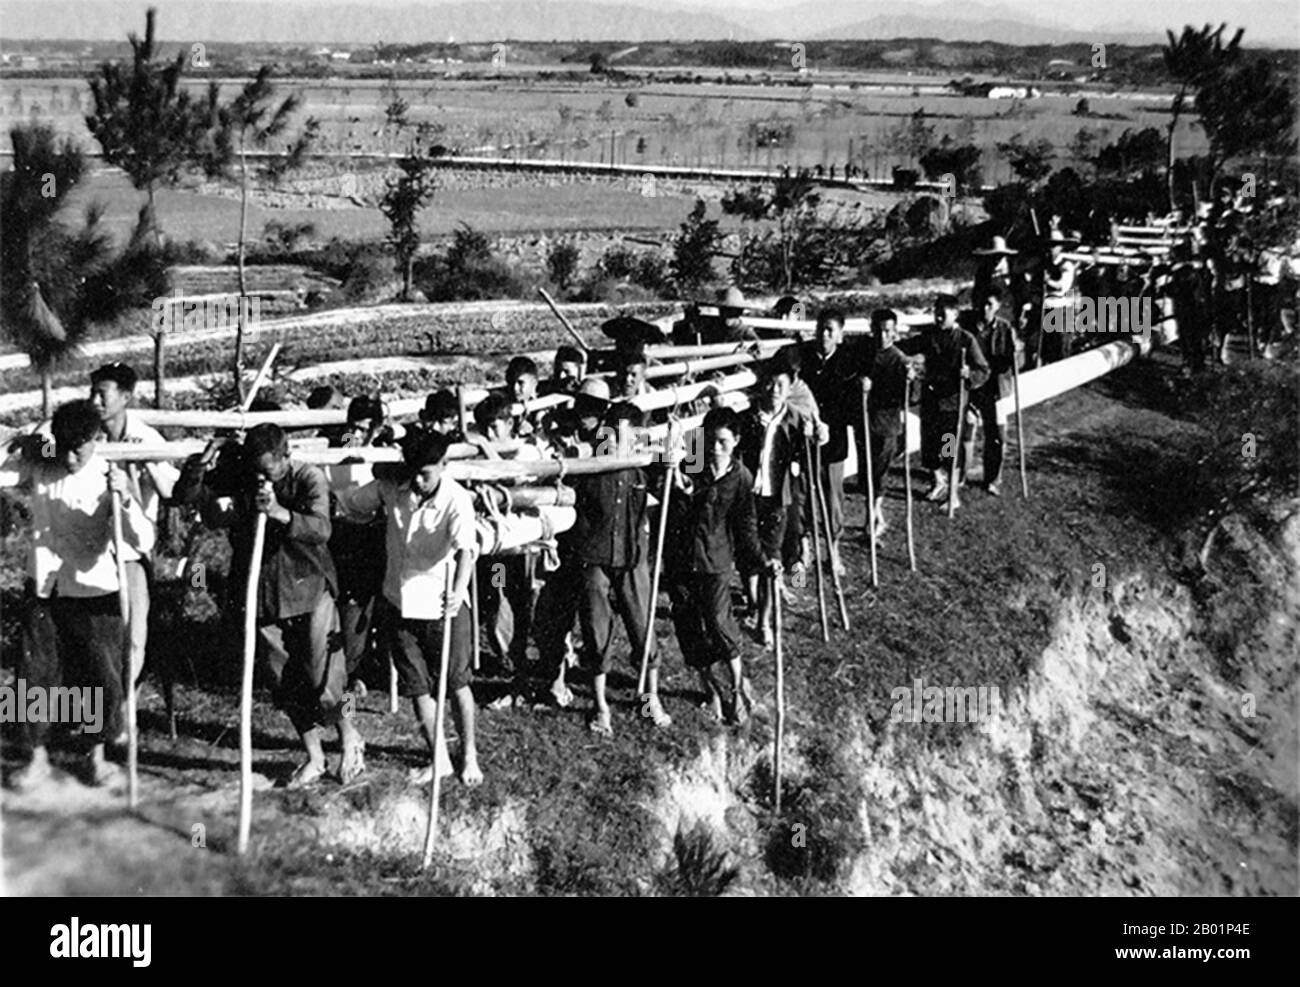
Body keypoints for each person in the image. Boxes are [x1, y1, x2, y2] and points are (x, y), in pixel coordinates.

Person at [174, 424, 364, 788]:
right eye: (256, 470)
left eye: (269, 470)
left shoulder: (308, 478)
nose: (262, 477)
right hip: (261, 593)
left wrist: (280, 513)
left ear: (285, 457)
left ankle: (349, 736)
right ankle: (314, 755)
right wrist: (200, 465)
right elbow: (199, 506)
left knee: (325, 678)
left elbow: (322, 529)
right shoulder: (241, 478)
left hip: (309, 588)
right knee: (283, 680)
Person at [5, 400, 147, 791]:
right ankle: (34, 758)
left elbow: (143, 539)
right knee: (34, 672)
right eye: (63, 446)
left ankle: (95, 758)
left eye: (79, 448)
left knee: (99, 675)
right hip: (46, 586)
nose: (70, 457)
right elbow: (3, 467)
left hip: (95, 589)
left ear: (96, 439)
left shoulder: (110, 475)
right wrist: (25, 444)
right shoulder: (44, 463)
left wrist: (127, 501)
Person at [333, 429, 482, 787]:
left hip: (443, 604)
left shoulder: (456, 499)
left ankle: (470, 754)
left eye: (426, 473)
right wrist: (377, 475)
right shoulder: (394, 487)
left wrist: (459, 591)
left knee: (456, 684)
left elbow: (466, 551)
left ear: (443, 466)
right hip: (398, 602)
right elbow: (353, 504)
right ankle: (440, 758)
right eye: (412, 470)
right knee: (418, 688)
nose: (418, 480)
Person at [665, 407, 772, 725]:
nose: (714, 448)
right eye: (710, 440)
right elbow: (672, 496)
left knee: (719, 624)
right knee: (688, 626)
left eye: (723, 441)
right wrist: (672, 475)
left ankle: (738, 689)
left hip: (715, 561)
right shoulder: (692, 462)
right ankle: (710, 690)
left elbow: (746, 525)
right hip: (681, 560)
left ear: (736, 441)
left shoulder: (741, 478)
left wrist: (761, 560)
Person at [87, 363, 178, 736]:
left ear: (125, 397)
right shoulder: (87, 433)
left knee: (134, 637)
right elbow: (48, 444)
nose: (95, 401)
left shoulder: (144, 437)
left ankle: (124, 710)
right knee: (98, 637)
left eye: (102, 394)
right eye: (91, 392)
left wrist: (149, 463)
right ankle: (100, 714)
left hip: (132, 549)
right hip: (92, 548)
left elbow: (172, 489)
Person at [739, 352, 817, 648]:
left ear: (789, 388)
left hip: (778, 500)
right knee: (747, 553)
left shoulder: (795, 419)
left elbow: (808, 456)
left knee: (771, 559)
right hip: (748, 497)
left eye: (780, 386)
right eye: (770, 385)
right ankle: (751, 600)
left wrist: (813, 437)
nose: (774, 391)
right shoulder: (747, 417)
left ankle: (764, 621)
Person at [325, 396, 395, 696]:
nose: (357, 434)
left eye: (365, 428)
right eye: (353, 427)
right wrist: (348, 443)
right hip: (342, 533)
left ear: (376, 429)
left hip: (376, 532)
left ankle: (370, 665)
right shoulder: (336, 448)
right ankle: (351, 673)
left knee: (377, 603)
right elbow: (337, 447)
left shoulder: (383, 456)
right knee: (349, 603)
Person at [915, 294, 989, 511]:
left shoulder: (966, 340)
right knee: (929, 448)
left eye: (943, 313)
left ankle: (953, 495)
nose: (938, 317)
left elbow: (983, 370)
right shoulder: (929, 336)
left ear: (954, 314)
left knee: (949, 451)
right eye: (936, 312)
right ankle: (938, 481)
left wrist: (969, 374)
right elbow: (907, 347)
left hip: (952, 406)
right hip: (930, 403)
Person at [798, 309, 858, 574]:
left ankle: (833, 551)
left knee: (832, 498)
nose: (823, 335)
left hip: (834, 444)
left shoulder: (847, 363)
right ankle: (806, 547)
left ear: (840, 335)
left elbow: (851, 406)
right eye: (820, 329)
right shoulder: (805, 359)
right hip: (807, 442)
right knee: (806, 494)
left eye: (830, 330)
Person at [862, 309, 918, 537]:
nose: (881, 336)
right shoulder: (865, 353)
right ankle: (873, 516)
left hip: (887, 425)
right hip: (864, 421)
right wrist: (861, 383)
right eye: (877, 330)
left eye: (887, 331)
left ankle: (873, 517)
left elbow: (911, 399)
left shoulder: (899, 360)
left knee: (879, 472)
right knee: (866, 471)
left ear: (894, 333)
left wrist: (910, 382)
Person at [963, 288, 1020, 496]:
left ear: (997, 306)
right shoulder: (967, 324)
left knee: (995, 435)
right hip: (971, 385)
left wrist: (1013, 355)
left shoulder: (1005, 328)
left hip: (994, 388)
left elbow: (1012, 362)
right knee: (958, 431)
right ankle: (956, 472)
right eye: (981, 303)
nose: (984, 308)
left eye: (989, 304)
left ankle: (993, 478)